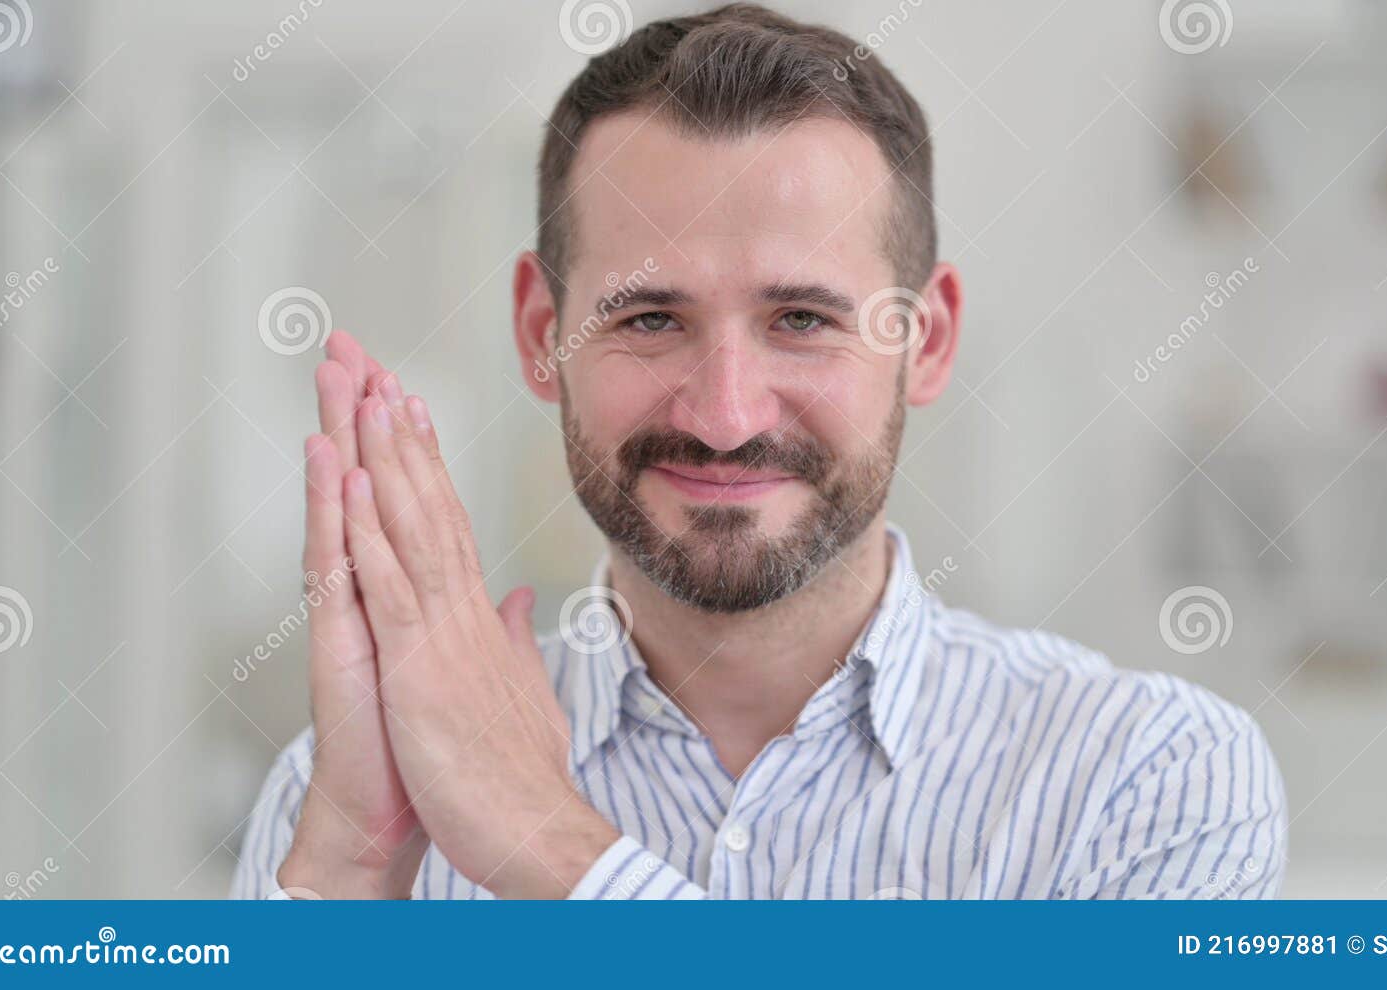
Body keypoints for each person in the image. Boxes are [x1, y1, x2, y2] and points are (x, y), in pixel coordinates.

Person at [231, 3, 1285, 900]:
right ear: (540, 333)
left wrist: (555, 853)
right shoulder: (355, 797)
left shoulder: (1150, 779)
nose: (726, 416)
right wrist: (350, 874)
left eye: (801, 320)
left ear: (926, 343)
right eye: (650, 319)